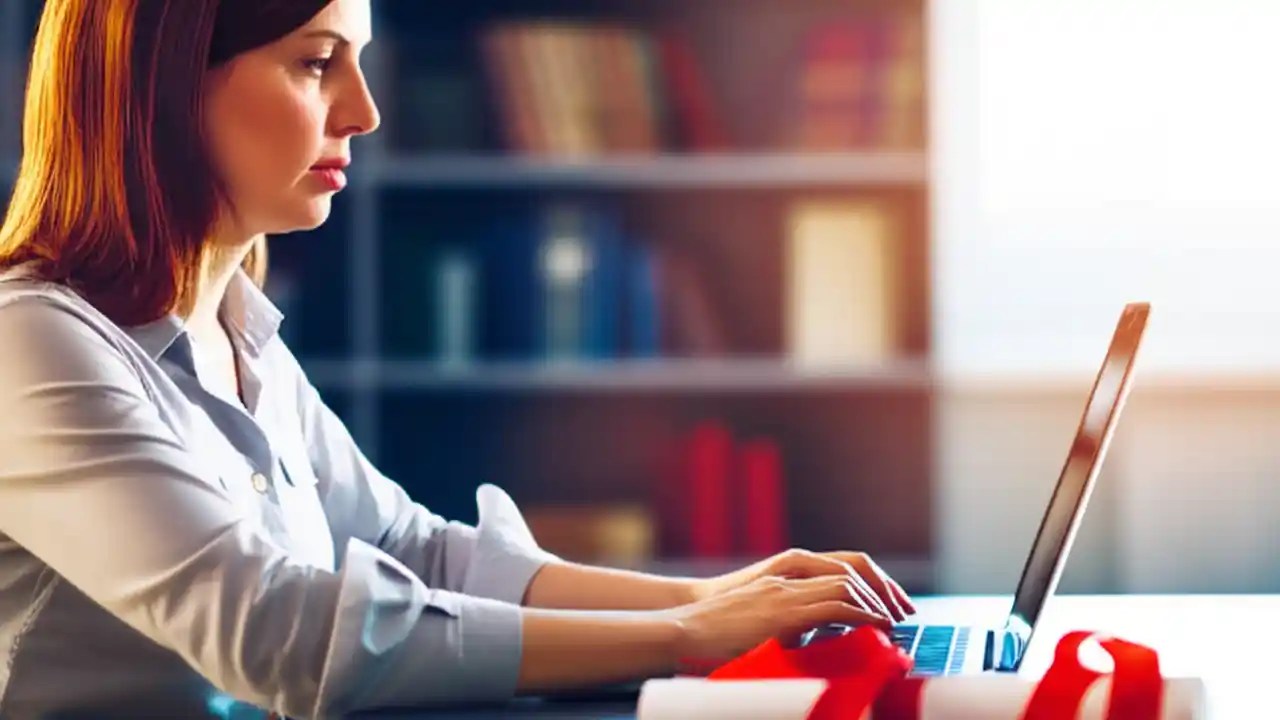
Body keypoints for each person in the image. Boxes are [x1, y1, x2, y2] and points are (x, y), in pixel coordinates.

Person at [0, 1, 916, 717]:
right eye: (317, 64)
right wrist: (684, 635)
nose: (364, 111)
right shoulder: (32, 342)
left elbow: (415, 553)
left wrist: (712, 600)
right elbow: (273, 629)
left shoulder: (236, 327)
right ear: (161, 85)